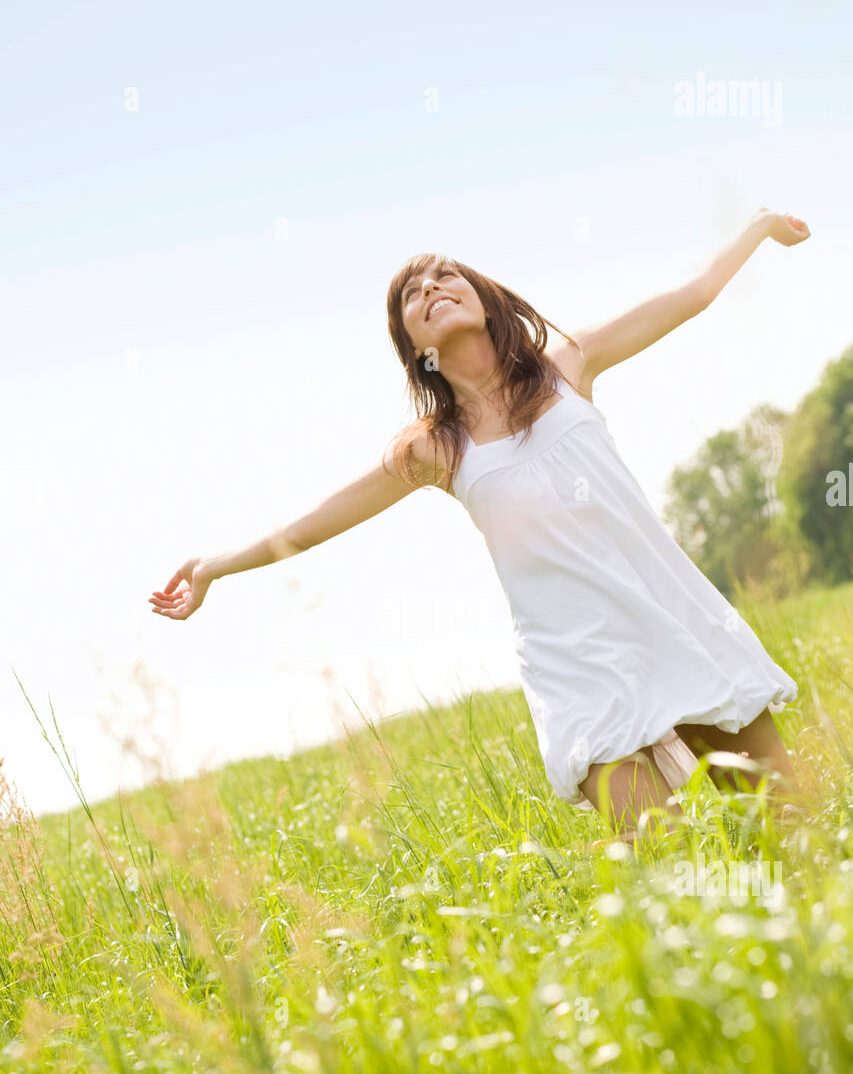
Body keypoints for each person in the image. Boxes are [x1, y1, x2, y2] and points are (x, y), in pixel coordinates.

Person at [150, 208, 812, 844]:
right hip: (576, 665)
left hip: (666, 617)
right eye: (413, 292)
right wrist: (214, 566)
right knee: (663, 860)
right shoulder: (437, 446)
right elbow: (314, 522)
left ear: (484, 297)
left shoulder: (568, 365)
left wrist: (757, 226)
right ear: (414, 345)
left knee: (791, 820)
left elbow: (690, 294)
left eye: (446, 275)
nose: (433, 287)